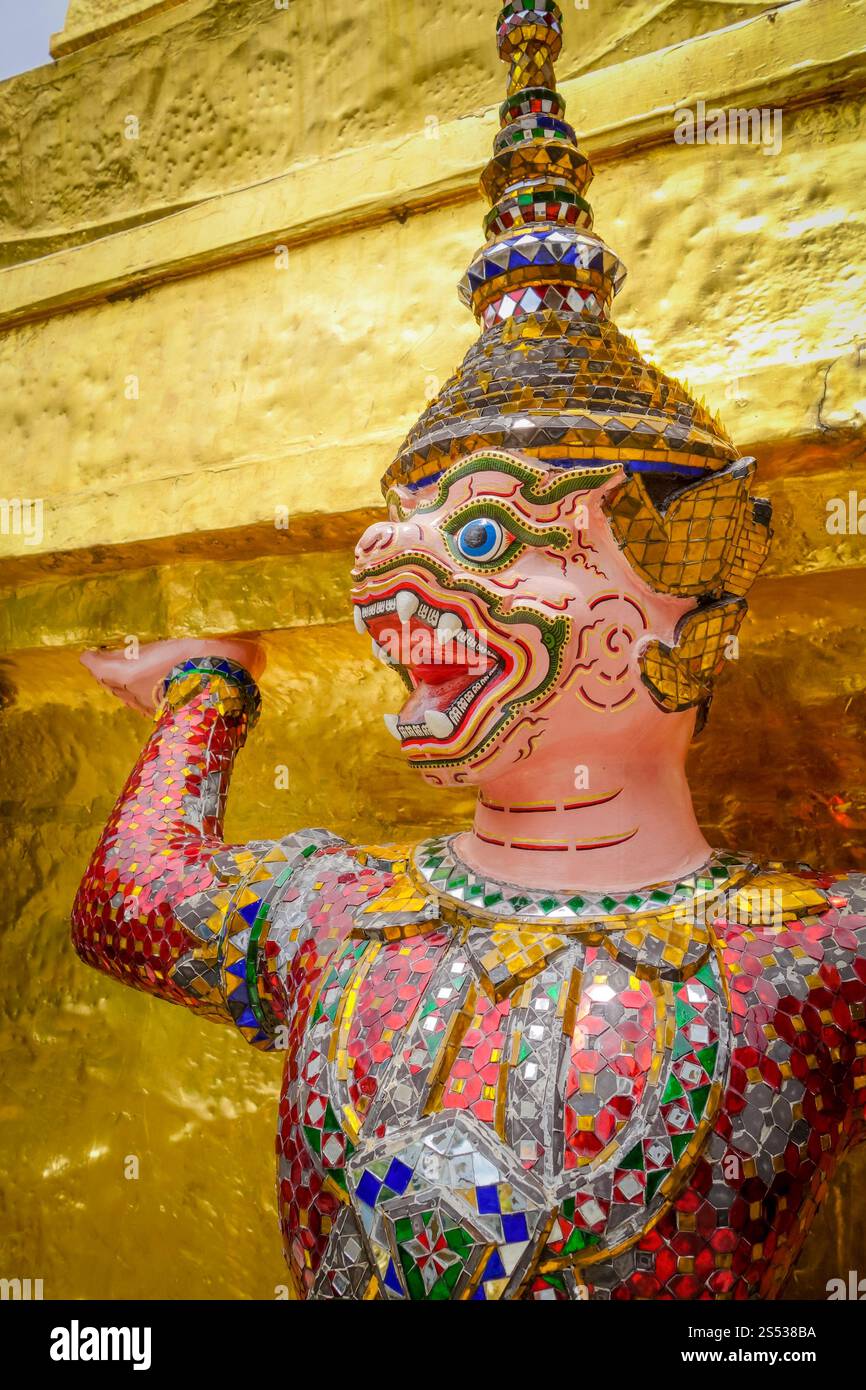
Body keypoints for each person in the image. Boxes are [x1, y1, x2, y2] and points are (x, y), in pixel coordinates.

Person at [73, 2, 866, 1300]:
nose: (392, 568)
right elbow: (130, 902)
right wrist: (208, 686)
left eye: (490, 530)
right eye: (404, 523)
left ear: (685, 603)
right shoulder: (334, 912)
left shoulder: (797, 958)